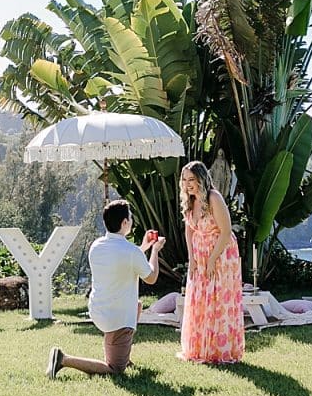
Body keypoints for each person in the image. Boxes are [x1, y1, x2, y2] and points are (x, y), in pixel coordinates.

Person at [46, 199, 165, 379]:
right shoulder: (131, 252)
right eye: (130, 218)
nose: (132, 220)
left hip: (98, 309)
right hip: (117, 318)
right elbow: (151, 277)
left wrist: (144, 247)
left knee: (137, 305)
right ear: (124, 223)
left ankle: (123, 354)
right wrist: (155, 251)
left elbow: (122, 262)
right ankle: (63, 359)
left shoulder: (97, 245)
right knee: (115, 369)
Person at [178, 160, 244, 363]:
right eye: (185, 180)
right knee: (199, 297)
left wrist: (212, 259)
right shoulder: (190, 200)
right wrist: (192, 258)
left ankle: (218, 349)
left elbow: (226, 232)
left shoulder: (213, 198)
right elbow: (189, 229)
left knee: (217, 298)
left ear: (201, 179)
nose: (188, 184)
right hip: (199, 254)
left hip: (221, 253)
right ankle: (199, 348)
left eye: (192, 179)